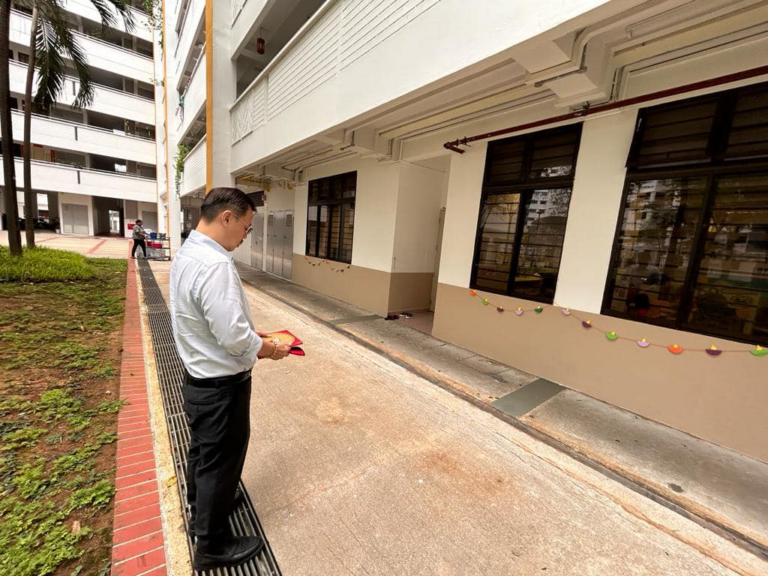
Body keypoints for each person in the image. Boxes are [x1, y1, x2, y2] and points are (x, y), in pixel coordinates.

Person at [169, 187, 292, 571]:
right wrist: (270, 348)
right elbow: (235, 337)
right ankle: (212, 544)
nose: (244, 237)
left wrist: (253, 335)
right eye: (246, 227)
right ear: (227, 217)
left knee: (204, 454)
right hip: (221, 386)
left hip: (198, 378)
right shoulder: (215, 264)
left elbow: (210, 320)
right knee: (221, 462)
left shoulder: (188, 252)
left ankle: (200, 506)